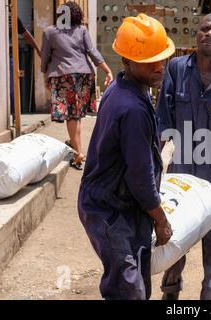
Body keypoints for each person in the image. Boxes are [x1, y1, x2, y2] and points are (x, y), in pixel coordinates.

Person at [77, 13, 175, 300]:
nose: (160, 67)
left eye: (162, 58)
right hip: (110, 211)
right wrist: (160, 219)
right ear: (127, 62)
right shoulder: (130, 107)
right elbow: (139, 175)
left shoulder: (127, 87)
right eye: (150, 61)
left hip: (125, 207)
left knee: (138, 284)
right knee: (127, 291)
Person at [156, 12, 211, 300]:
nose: (209, 33)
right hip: (179, 170)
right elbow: (163, 117)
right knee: (173, 236)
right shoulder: (177, 69)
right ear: (197, 34)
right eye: (205, 28)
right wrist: (159, 161)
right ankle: (170, 294)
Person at [41, 1, 113, 170]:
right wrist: (107, 71)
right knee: (76, 115)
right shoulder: (81, 30)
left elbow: (45, 57)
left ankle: (78, 152)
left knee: (72, 116)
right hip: (84, 75)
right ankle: (76, 148)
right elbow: (92, 52)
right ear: (77, 15)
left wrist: (45, 75)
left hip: (63, 75)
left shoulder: (50, 32)